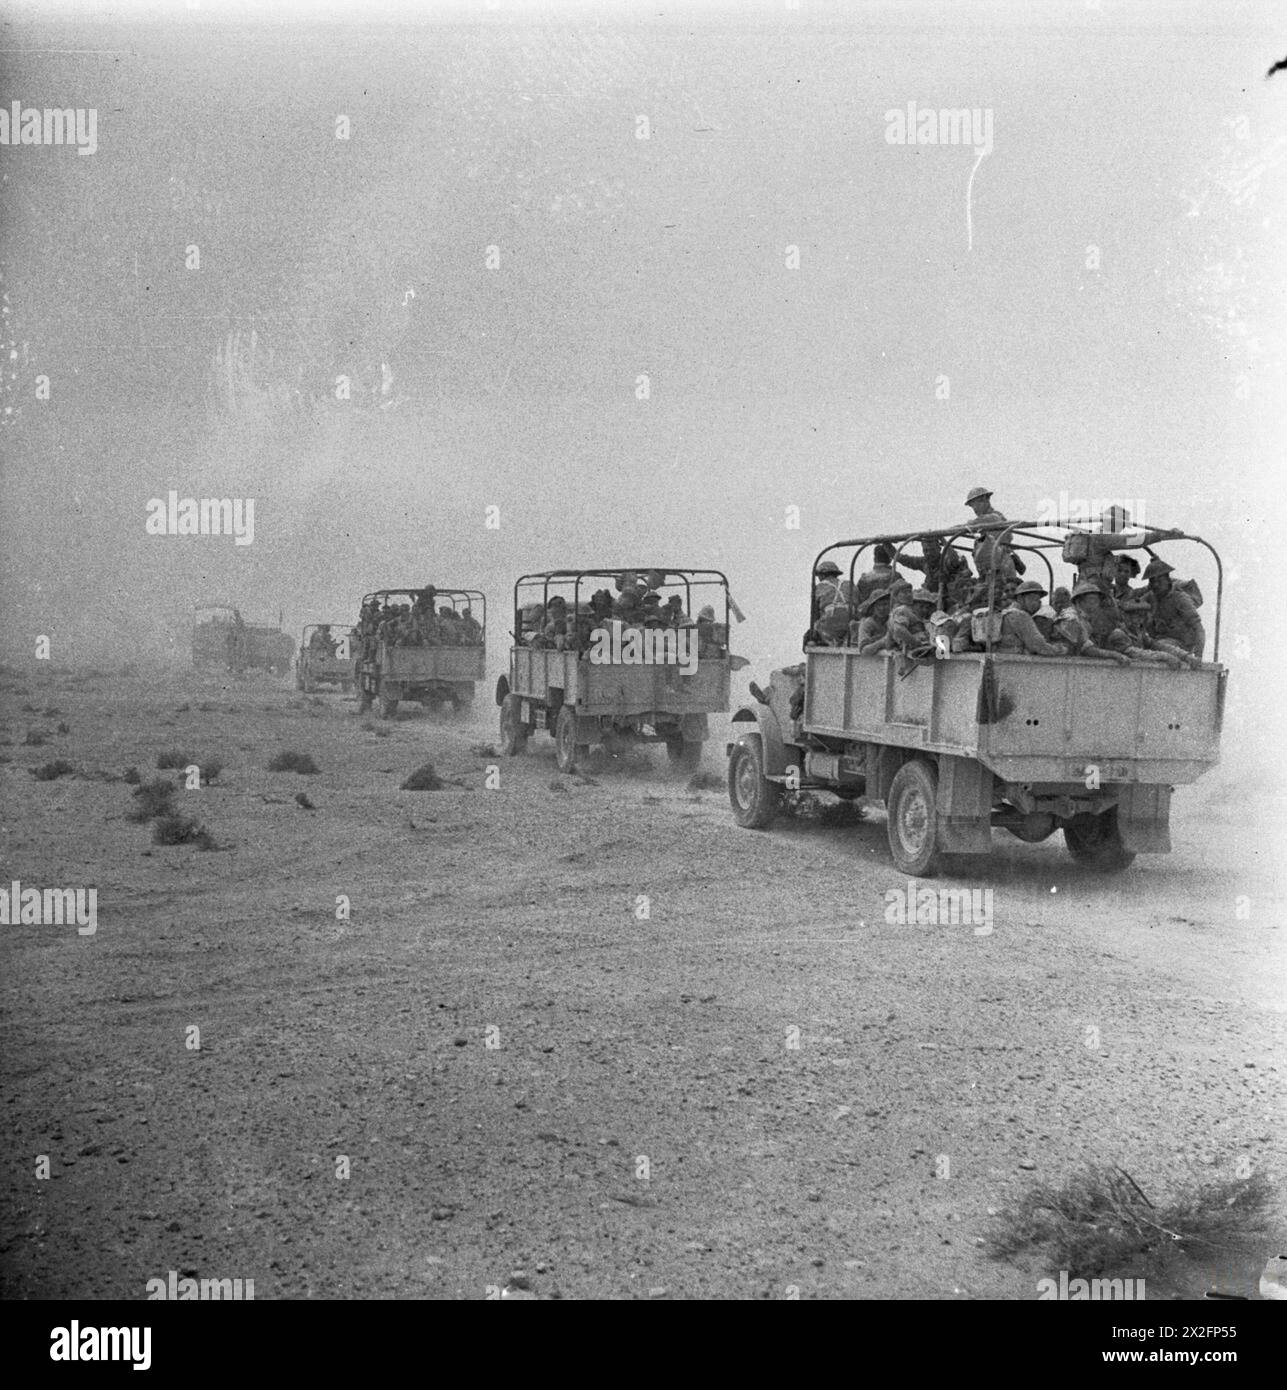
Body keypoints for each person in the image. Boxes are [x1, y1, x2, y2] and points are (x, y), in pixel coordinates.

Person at [1070, 507, 1180, 594]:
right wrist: (1161, 535)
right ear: (1113, 523)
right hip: (1093, 590)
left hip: (1090, 587)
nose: (1121, 529)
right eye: (1121, 525)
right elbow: (1131, 541)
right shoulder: (1102, 537)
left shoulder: (1095, 536)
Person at [1144, 558, 1205, 657]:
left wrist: (1198, 656)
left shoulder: (1180, 598)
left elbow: (1198, 628)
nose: (1155, 584)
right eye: (1152, 581)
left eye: (1159, 580)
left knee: (1160, 646)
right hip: (1159, 642)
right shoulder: (1150, 597)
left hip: (1182, 645)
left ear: (1168, 580)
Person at [1059, 582, 1132, 664]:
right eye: (1091, 601)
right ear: (1079, 601)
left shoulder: (1085, 620)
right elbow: (1088, 650)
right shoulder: (1071, 619)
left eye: (1097, 601)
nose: (1095, 605)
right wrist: (1115, 655)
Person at [995, 581, 1066, 656]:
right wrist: (1059, 650)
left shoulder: (1005, 613)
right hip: (1013, 662)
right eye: (1032, 598)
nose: (1036, 603)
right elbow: (1037, 645)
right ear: (1020, 598)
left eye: (1038, 599)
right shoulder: (1020, 615)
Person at [888, 588, 937, 658]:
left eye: (927, 607)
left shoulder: (922, 619)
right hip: (909, 654)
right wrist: (916, 643)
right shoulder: (904, 611)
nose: (925, 610)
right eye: (921, 606)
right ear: (912, 604)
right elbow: (899, 629)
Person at [851, 589, 894, 654]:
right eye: (878, 605)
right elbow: (864, 650)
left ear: (889, 605)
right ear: (873, 607)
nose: (882, 608)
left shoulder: (892, 621)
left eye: (885, 604)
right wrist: (882, 642)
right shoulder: (867, 623)